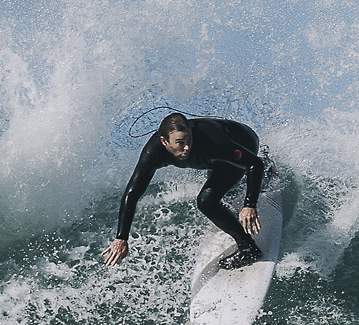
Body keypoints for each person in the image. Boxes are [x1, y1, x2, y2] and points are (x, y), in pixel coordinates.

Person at [105, 112, 271, 269]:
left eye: (189, 140)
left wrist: (250, 204)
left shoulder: (213, 142)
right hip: (214, 158)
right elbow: (132, 193)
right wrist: (121, 237)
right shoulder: (153, 152)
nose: (186, 148)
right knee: (223, 189)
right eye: (180, 143)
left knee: (206, 201)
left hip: (243, 141)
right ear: (164, 142)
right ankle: (251, 182)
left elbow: (254, 164)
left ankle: (248, 249)